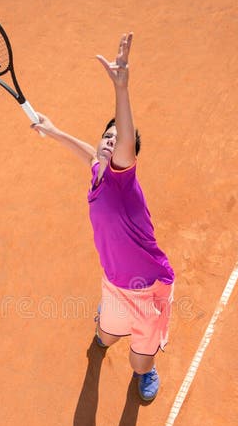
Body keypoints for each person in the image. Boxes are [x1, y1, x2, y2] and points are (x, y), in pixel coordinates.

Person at [31, 32, 174, 401]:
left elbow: (123, 142)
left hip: (149, 288)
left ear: (127, 153)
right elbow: (89, 155)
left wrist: (121, 88)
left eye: (118, 138)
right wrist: (52, 130)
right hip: (114, 283)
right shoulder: (98, 172)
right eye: (106, 136)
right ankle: (108, 325)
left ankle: (147, 369)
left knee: (138, 362)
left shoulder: (121, 178)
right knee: (105, 337)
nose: (111, 140)